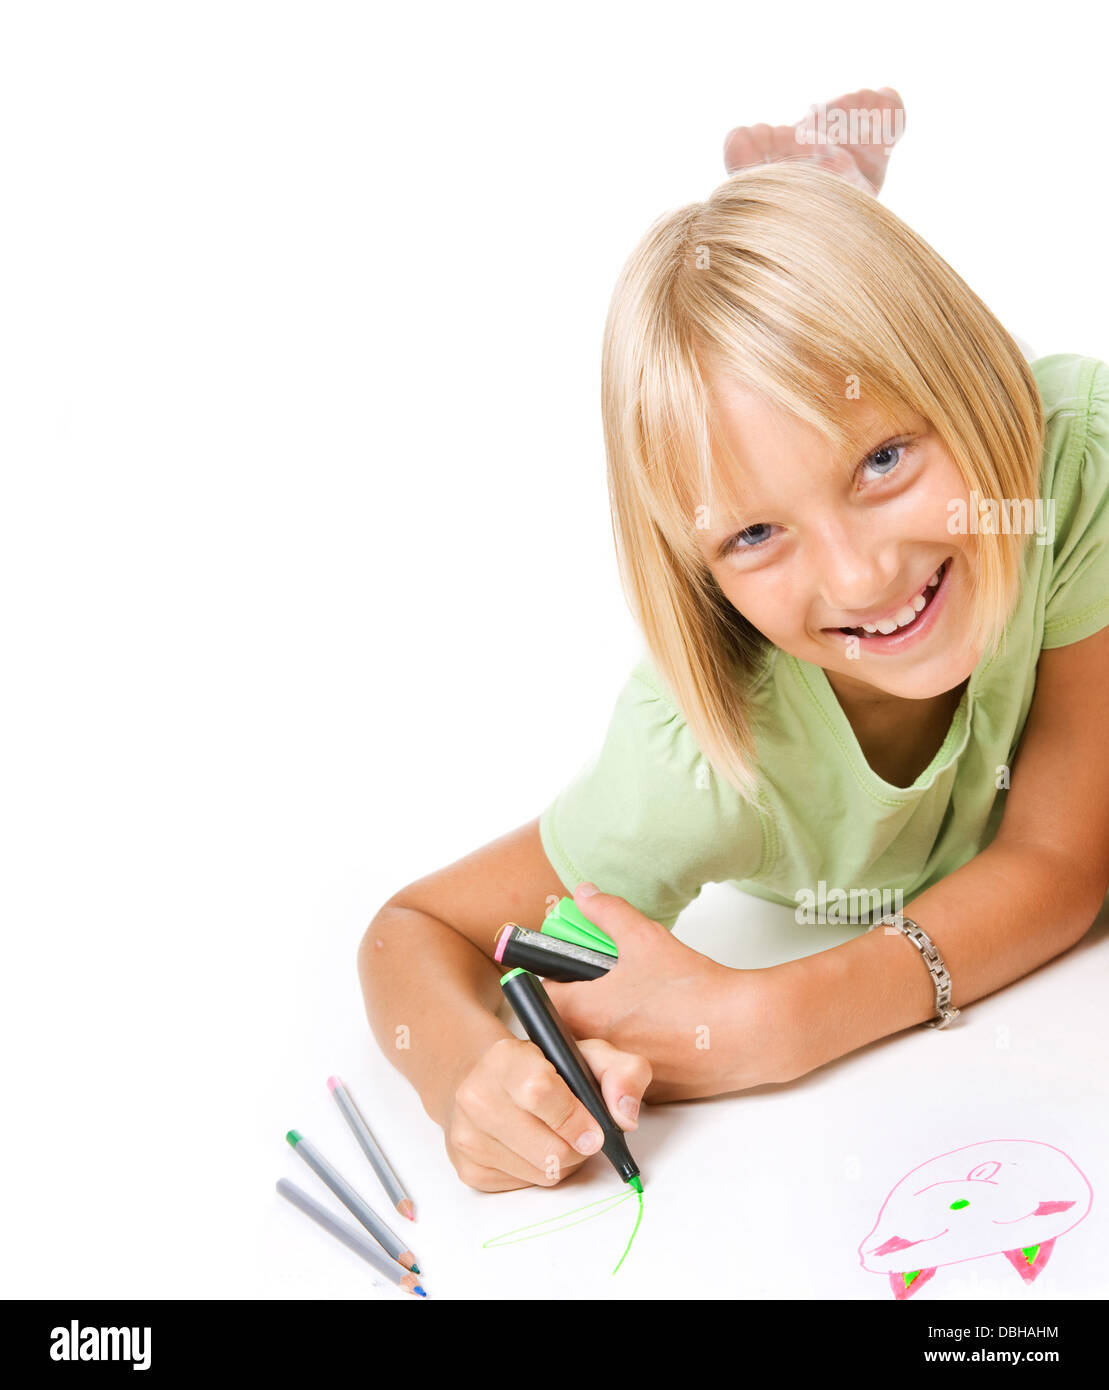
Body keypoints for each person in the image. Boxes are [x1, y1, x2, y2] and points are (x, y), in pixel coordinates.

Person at [358, 88, 1109, 1193]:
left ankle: (815, 198)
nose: (859, 577)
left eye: (884, 460)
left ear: (980, 382)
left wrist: (770, 1018)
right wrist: (470, 1071)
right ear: (696, 574)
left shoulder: (1062, 474)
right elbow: (413, 926)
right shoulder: (702, 755)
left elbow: (1059, 860)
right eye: (754, 532)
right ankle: (813, 210)